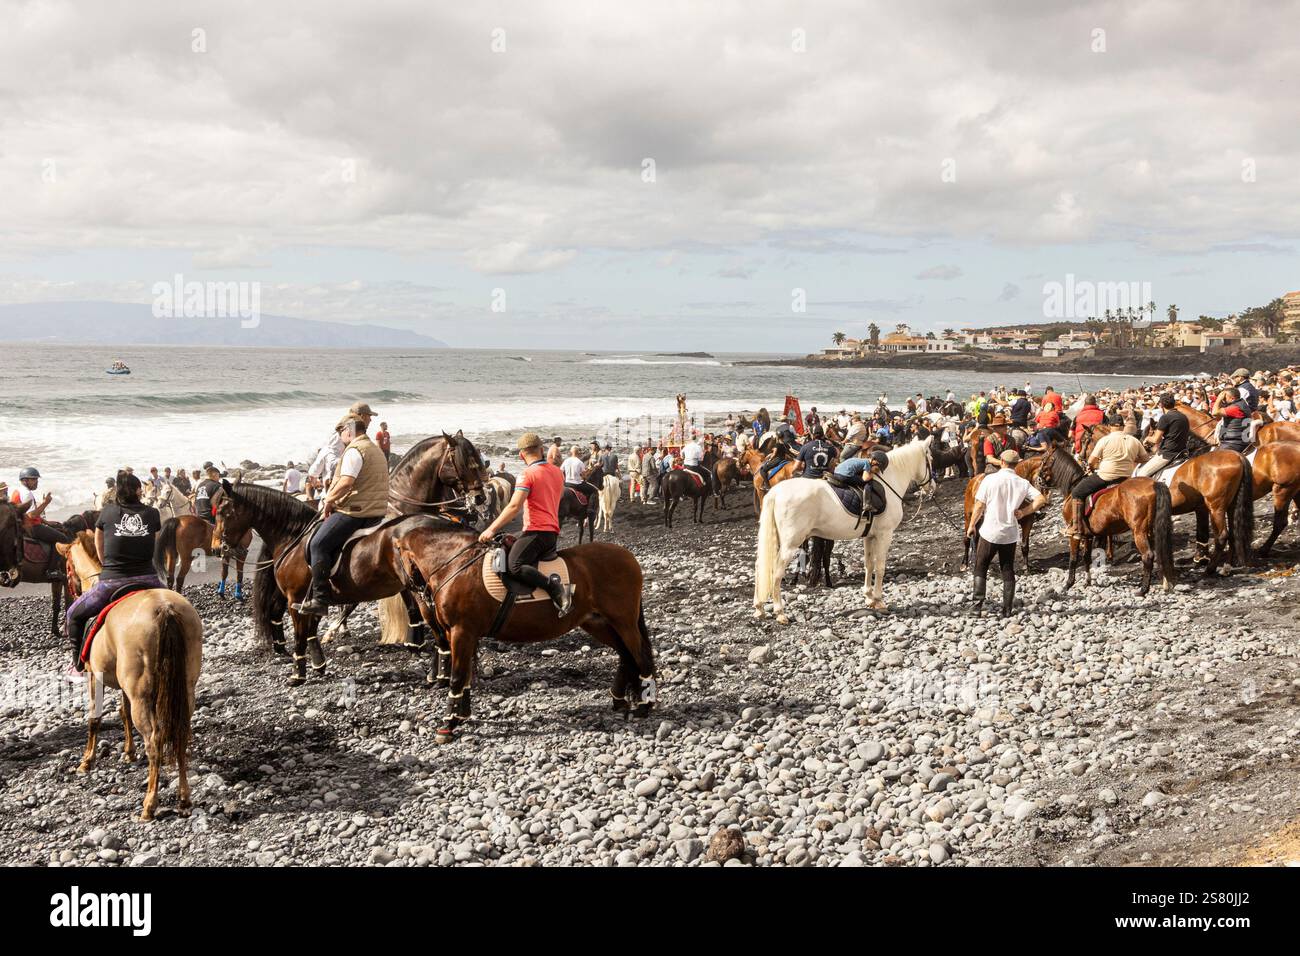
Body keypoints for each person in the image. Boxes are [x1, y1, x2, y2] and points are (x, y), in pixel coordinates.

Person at [64, 471, 163, 672]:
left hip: (113, 582)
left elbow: (100, 548)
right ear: (138, 491)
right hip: (149, 578)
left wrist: (109, 566)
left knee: (73, 614)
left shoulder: (107, 512)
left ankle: (78, 665)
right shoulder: (153, 513)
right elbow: (156, 544)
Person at [294, 413, 389, 614]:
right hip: (377, 510)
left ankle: (320, 599)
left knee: (318, 543)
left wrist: (329, 500)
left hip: (355, 512)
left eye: (341, 431)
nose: (339, 436)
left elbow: (346, 482)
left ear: (349, 430)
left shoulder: (355, 450)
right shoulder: (374, 449)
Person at [476, 432, 573, 616]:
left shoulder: (527, 474)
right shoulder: (557, 472)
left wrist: (491, 529)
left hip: (536, 531)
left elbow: (513, 506)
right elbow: (558, 497)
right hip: (551, 532)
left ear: (521, 455)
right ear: (542, 450)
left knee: (514, 566)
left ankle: (556, 589)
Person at [967, 450, 1049, 617]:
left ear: (1002, 462)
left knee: (981, 566)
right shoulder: (1022, 483)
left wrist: (971, 525)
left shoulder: (990, 479)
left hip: (990, 531)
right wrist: (1025, 512)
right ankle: (1007, 609)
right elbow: (1041, 499)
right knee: (1008, 569)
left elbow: (979, 506)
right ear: (1016, 463)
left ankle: (976, 607)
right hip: (1010, 533)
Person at [1069, 428, 1149, 538]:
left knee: (1077, 492)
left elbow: (1091, 461)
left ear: (1110, 426)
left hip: (1106, 476)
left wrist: (1091, 467)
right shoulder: (1134, 440)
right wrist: (1130, 459)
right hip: (1126, 477)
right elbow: (1145, 458)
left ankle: (1076, 527)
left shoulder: (1104, 440)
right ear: (1122, 426)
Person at [11, 467, 70, 579]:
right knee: (62, 538)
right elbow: (31, 515)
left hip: (25, 525)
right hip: (31, 527)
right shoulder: (27, 493)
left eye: (37, 479)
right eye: (34, 479)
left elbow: (27, 514)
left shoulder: (17, 491)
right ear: (25, 480)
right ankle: (52, 570)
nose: (37, 482)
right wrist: (46, 503)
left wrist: (46, 522)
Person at [1135, 393, 1188, 478]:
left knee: (1140, 476)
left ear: (1161, 405)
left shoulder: (1165, 417)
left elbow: (1156, 440)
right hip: (1182, 452)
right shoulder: (1183, 416)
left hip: (1168, 454)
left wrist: (1147, 438)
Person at [1212, 386, 1252, 452]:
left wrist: (1218, 399)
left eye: (1225, 397)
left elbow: (1214, 412)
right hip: (1236, 440)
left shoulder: (1235, 408)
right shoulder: (1240, 404)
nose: (1223, 399)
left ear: (1232, 398)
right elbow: (1219, 418)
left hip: (1234, 442)